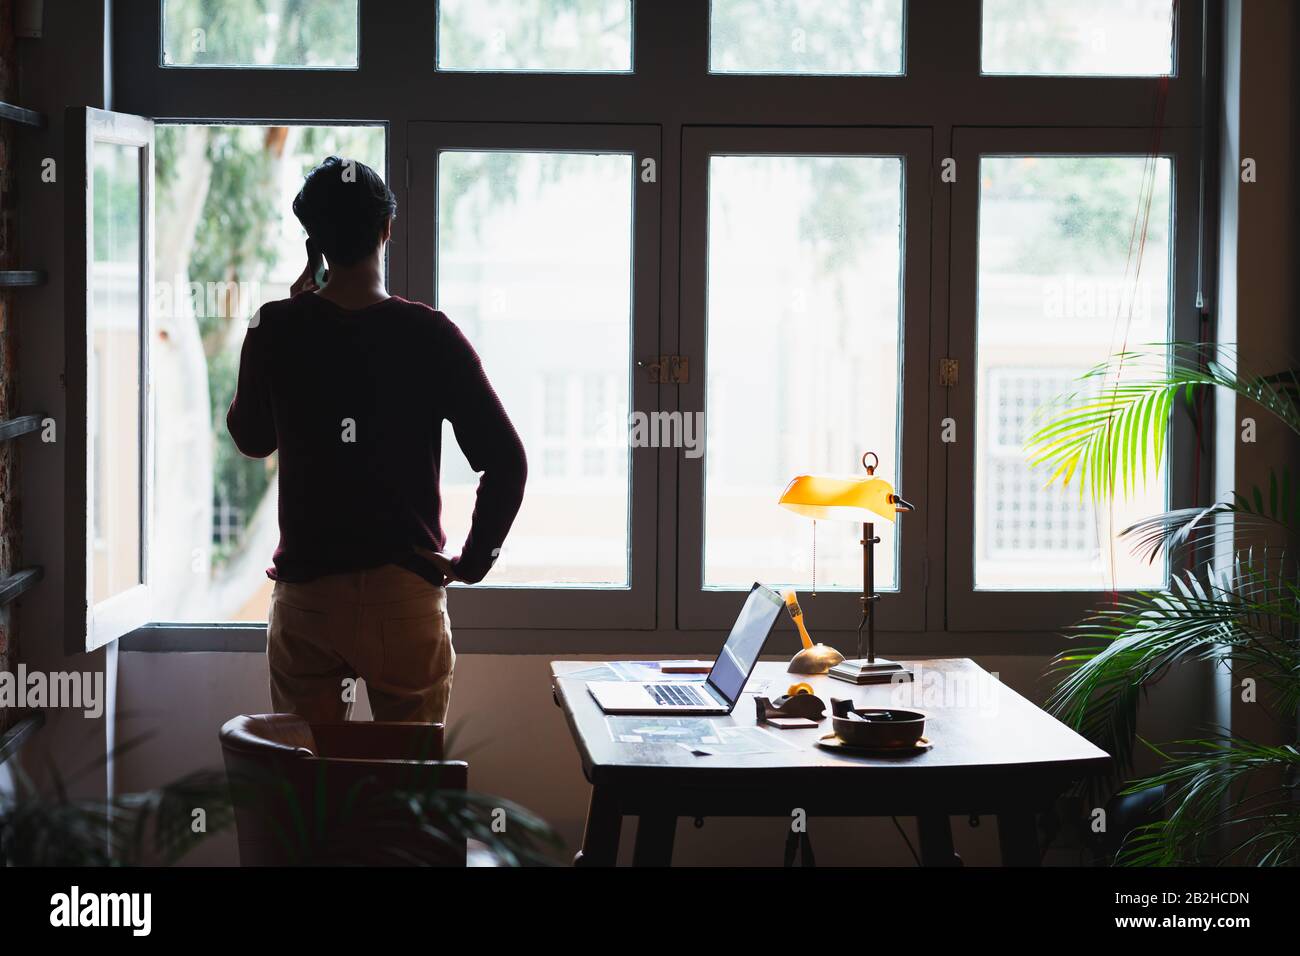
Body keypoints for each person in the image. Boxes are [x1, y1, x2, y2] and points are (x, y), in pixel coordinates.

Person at [227, 155, 526, 724]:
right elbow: (507, 462)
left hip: (309, 599)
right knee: (413, 793)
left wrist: (285, 324)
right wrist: (471, 562)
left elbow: (252, 438)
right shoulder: (431, 335)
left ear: (312, 240)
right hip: (404, 596)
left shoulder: (275, 328)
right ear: (386, 230)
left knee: (306, 791)